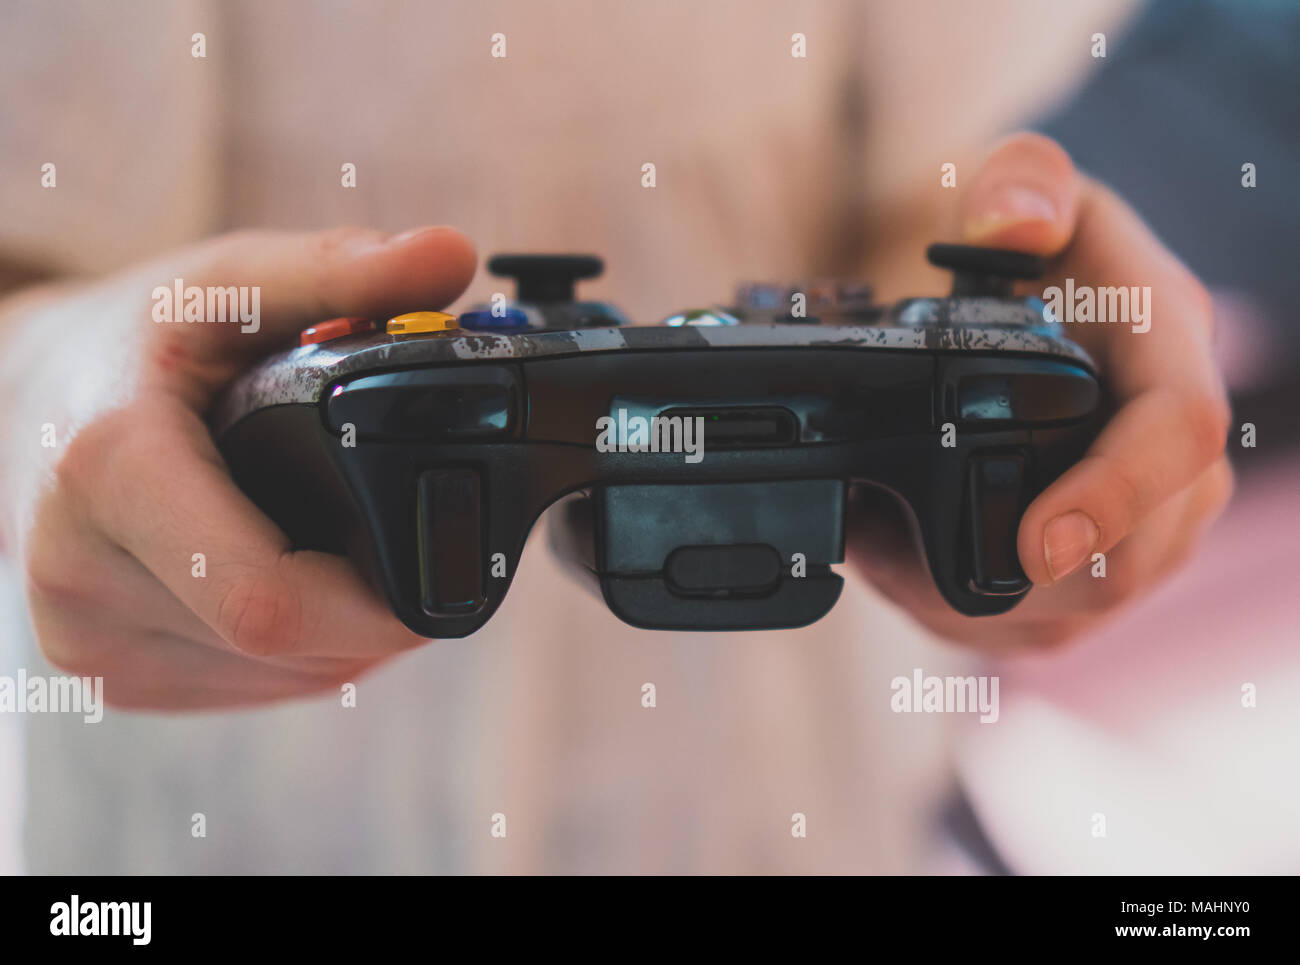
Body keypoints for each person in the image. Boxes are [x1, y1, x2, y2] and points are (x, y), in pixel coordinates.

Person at [0, 0, 1236, 873]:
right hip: (231, 772)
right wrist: (50, 391)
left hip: (783, 766)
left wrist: (1007, 288)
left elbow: (909, 184)